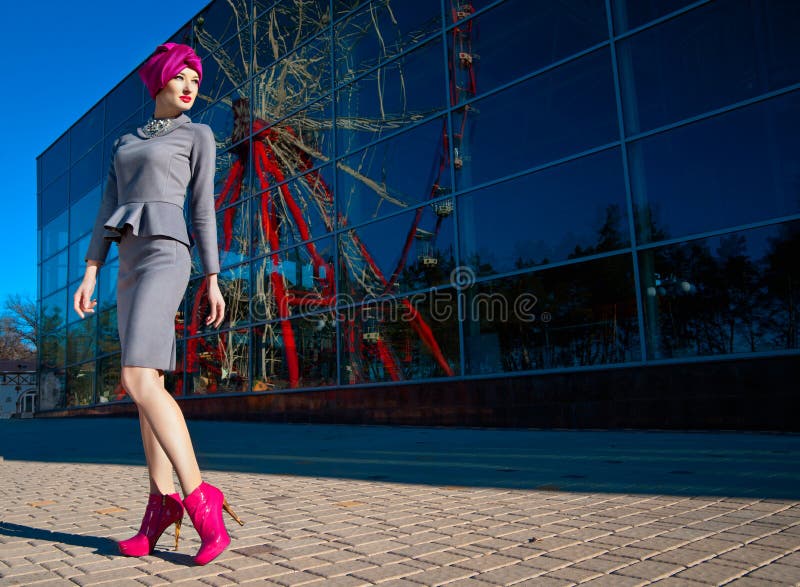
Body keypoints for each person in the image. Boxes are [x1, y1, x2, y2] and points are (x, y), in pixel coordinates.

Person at [72, 43, 243, 566]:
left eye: (195, 79)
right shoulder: (125, 142)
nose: (191, 87)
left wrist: (213, 277)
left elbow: (203, 206)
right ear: (160, 83)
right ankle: (158, 504)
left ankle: (199, 502)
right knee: (151, 388)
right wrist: (91, 270)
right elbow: (107, 207)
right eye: (181, 78)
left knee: (137, 379)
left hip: (169, 254)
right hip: (126, 261)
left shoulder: (198, 134)